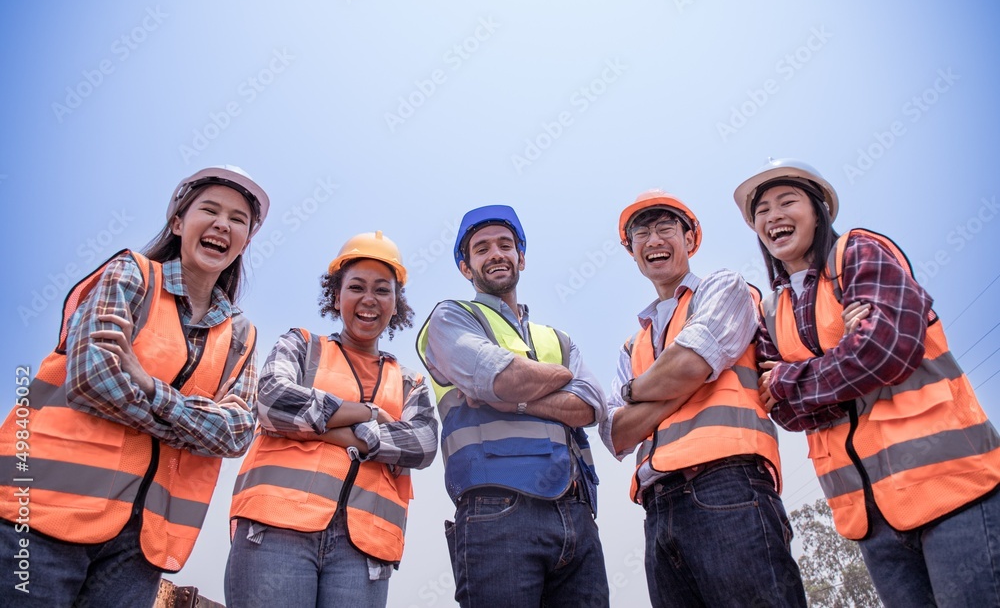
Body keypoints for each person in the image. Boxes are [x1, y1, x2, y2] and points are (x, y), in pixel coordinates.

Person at [734, 158, 1000, 606]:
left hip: (952, 487)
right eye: (762, 211)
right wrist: (844, 357)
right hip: (871, 518)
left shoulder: (858, 252)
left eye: (787, 201)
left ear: (818, 210)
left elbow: (885, 352)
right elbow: (784, 412)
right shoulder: (771, 311)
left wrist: (790, 378)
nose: (773, 216)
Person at [0, 166, 269, 606]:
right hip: (45, 511)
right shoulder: (132, 275)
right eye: (210, 210)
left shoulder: (242, 334)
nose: (223, 224)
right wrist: (191, 423)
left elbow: (236, 433)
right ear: (178, 223)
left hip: (141, 542)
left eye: (237, 219)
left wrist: (147, 385)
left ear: (244, 241)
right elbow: (92, 380)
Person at [600, 190, 807, 608]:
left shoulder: (724, 287)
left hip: (728, 487)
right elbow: (616, 433)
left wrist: (635, 392)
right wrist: (679, 385)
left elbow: (690, 364)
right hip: (658, 508)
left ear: (691, 239)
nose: (654, 240)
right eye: (642, 234)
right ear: (631, 251)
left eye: (666, 228)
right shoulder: (632, 345)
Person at [226, 230, 438, 608]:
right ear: (336, 296)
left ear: (395, 303)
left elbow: (422, 444)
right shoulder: (301, 346)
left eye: (382, 290)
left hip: (363, 551)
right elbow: (272, 401)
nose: (369, 299)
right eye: (356, 287)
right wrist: (370, 415)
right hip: (276, 530)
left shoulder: (411, 383)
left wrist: (322, 429)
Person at [415, 205, 610, 607]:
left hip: (576, 514)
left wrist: (512, 399)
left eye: (505, 245)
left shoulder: (556, 338)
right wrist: (561, 377)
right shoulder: (450, 318)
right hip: (496, 511)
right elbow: (500, 378)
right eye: (481, 248)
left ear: (521, 258)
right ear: (466, 268)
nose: (496, 254)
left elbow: (591, 406)